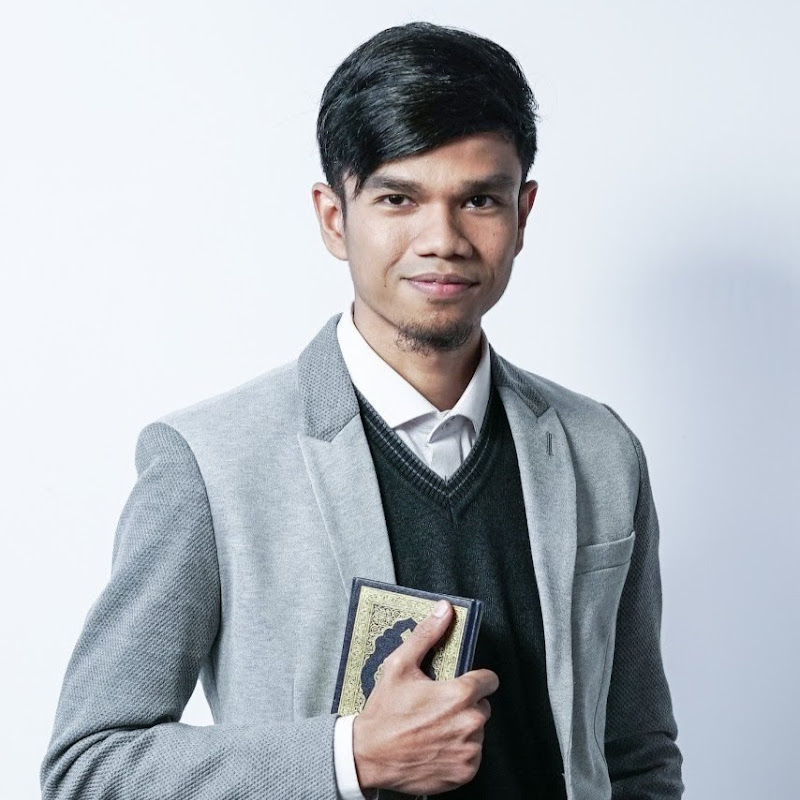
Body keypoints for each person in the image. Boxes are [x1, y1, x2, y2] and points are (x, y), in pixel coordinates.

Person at [41, 21, 683, 800]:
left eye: (479, 199)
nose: (442, 239)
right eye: (398, 199)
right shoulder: (210, 465)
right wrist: (349, 757)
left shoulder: (601, 451)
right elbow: (89, 765)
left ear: (523, 213)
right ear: (333, 217)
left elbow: (635, 751)